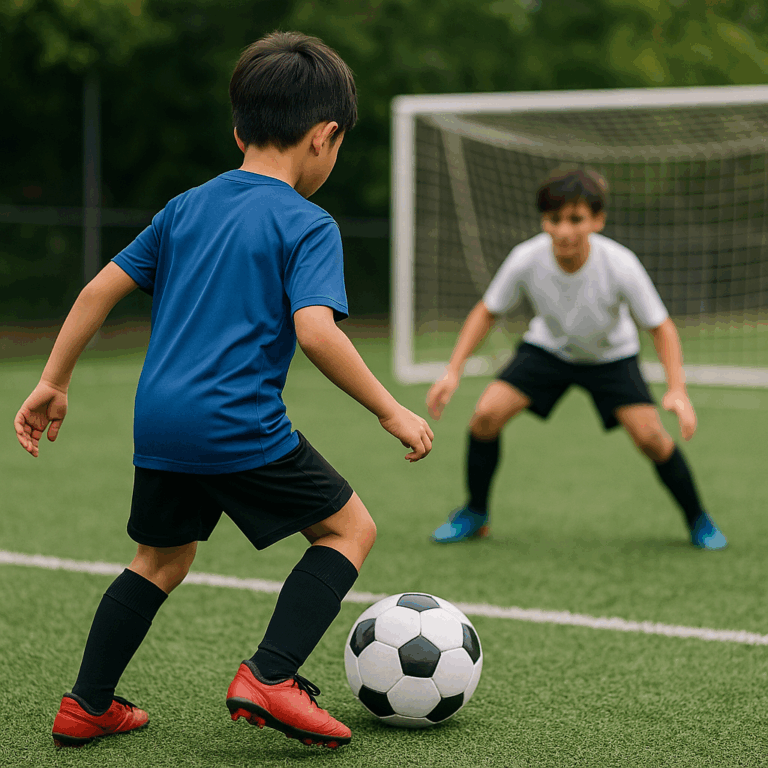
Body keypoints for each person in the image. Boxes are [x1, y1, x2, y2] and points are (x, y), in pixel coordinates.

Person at [14, 31, 433, 751]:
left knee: (161, 558)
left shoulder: (185, 207)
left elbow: (96, 291)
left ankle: (87, 704)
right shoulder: (308, 223)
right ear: (325, 138)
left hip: (161, 420)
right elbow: (317, 332)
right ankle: (271, 676)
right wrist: (391, 409)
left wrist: (54, 380)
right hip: (235, 420)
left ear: (240, 129)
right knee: (348, 529)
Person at [426, 168, 725, 551]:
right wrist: (452, 372)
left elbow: (661, 327)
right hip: (548, 350)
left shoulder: (620, 264)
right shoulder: (526, 258)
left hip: (611, 357)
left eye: (576, 219)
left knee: (651, 437)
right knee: (486, 416)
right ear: (543, 221)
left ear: (597, 221)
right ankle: (475, 512)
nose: (565, 230)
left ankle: (699, 519)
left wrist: (677, 390)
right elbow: (488, 310)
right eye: (555, 219)